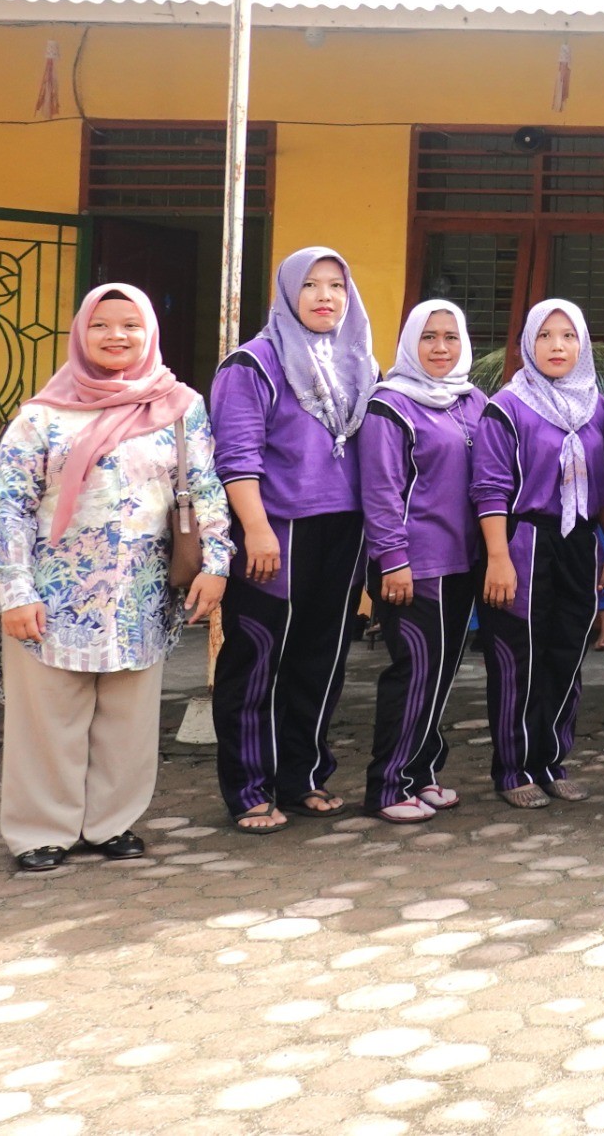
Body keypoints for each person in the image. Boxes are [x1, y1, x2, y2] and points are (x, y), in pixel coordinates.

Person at [0, 284, 229, 872]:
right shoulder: (42, 415)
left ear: (150, 333)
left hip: (139, 591)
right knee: (46, 718)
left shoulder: (179, 405)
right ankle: (41, 830)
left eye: (130, 326)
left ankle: (111, 823)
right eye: (101, 325)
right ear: (81, 333)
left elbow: (204, 488)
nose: (116, 336)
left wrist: (217, 564)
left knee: (129, 718)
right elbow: (10, 506)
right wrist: (15, 588)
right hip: (52, 589)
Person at [210, 246, 378, 833]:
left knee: (322, 657)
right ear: (287, 293)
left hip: (343, 528)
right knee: (257, 658)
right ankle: (249, 786)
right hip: (276, 529)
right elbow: (236, 455)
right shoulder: (252, 365)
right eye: (311, 285)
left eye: (336, 284)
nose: (326, 296)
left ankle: (302, 775)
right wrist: (255, 529)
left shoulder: (360, 363)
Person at [472, 299, 604, 809]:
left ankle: (552, 760)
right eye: (545, 336)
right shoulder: (508, 407)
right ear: (527, 344)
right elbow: (489, 489)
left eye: (568, 336)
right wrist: (497, 556)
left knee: (566, 653)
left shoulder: (597, 407)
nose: (558, 346)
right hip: (522, 541)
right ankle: (513, 768)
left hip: (578, 541)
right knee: (518, 658)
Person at [359, 300, 488, 825]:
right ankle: (388, 784)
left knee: (441, 673)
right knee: (413, 672)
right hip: (411, 564)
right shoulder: (390, 405)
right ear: (410, 342)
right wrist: (392, 559)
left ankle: (422, 771)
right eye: (429, 337)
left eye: (450, 337)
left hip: (463, 560)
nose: (440, 348)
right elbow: (382, 490)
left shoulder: (473, 399)